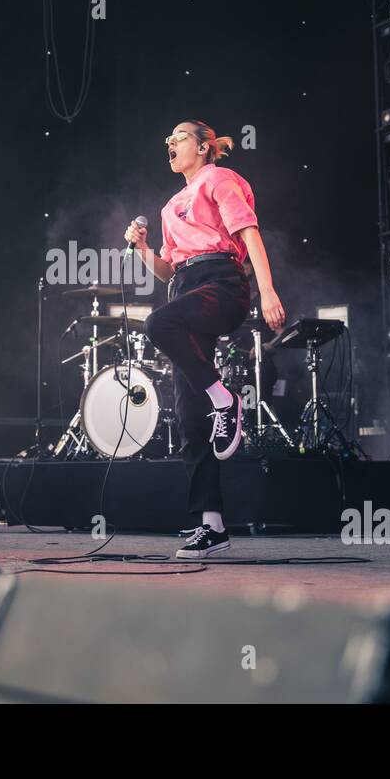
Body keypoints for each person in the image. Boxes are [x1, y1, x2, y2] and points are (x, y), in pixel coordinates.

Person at [125, 120, 285, 558]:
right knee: (188, 418)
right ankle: (211, 525)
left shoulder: (218, 179)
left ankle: (225, 399)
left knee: (157, 325)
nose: (169, 143)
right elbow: (168, 270)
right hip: (185, 286)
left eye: (177, 137)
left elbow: (249, 233)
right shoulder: (168, 206)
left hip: (221, 282)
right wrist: (143, 251)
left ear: (203, 146)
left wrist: (267, 290)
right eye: (167, 139)